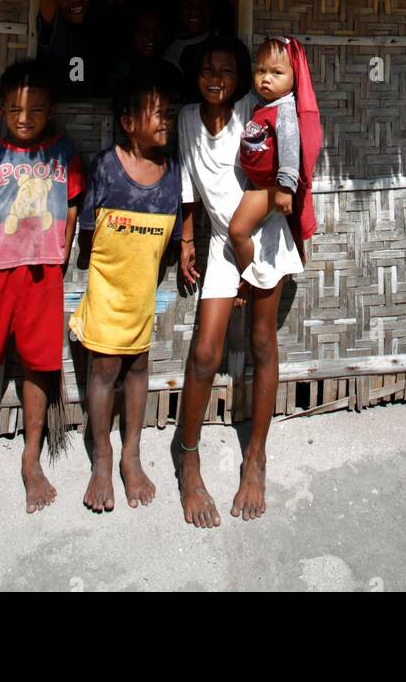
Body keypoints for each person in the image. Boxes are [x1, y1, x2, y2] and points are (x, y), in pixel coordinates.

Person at [176, 39, 305, 527]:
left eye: (227, 71)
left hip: (263, 237)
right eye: (208, 68)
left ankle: (256, 457)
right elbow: (189, 178)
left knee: (261, 343)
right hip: (222, 245)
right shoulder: (188, 117)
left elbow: (291, 120)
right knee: (205, 353)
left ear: (241, 78)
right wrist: (187, 236)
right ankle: (189, 462)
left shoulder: (255, 108)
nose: (216, 78)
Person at [0, 58, 83, 514]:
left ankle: (31, 459)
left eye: (33, 110)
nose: (23, 118)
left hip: (42, 272)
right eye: (14, 110)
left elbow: (71, 202)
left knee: (37, 363)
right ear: (1, 109)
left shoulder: (63, 153)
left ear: (50, 111)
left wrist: (64, 239)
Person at [69, 70, 182, 512]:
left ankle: (131, 454)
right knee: (104, 370)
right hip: (107, 291)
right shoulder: (105, 166)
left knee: (138, 368)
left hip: (141, 293)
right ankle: (103, 457)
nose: (166, 122)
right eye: (157, 115)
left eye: (168, 115)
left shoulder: (171, 174)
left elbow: (171, 244)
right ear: (128, 123)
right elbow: (87, 234)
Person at [229, 36, 321, 278]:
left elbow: (291, 149)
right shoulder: (264, 106)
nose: (266, 78)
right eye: (260, 70)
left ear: (294, 77)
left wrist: (285, 188)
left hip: (271, 188)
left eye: (277, 72)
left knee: (238, 231)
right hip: (258, 186)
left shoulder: (285, 110)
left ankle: (246, 277)